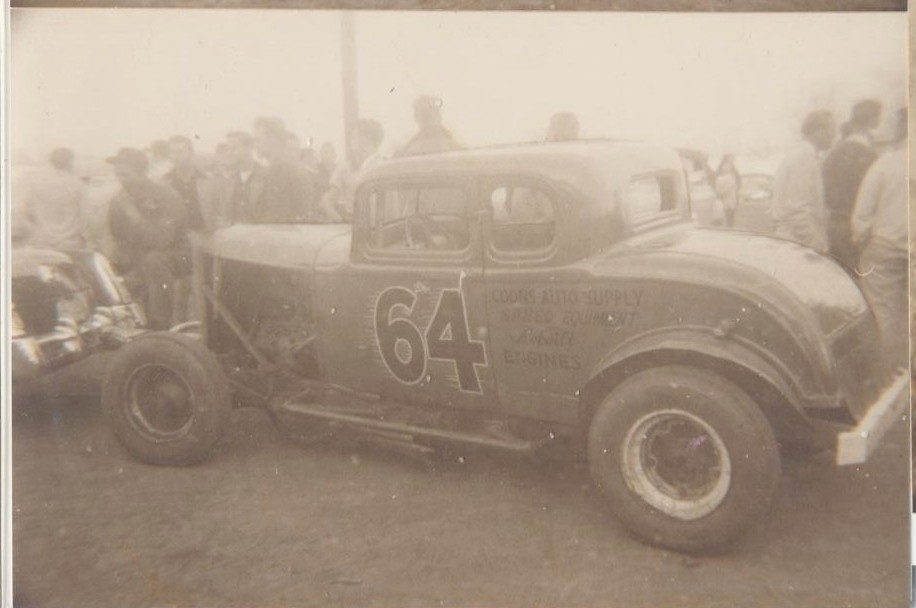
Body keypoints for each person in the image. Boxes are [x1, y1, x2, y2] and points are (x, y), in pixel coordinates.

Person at [851, 108, 907, 375]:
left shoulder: (885, 164)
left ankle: (888, 377)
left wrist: (862, 242)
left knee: (882, 313)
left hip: (883, 248)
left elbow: (861, 216)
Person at [106, 147, 187, 330]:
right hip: (138, 259)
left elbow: (162, 240)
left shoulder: (167, 196)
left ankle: (160, 326)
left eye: (126, 175)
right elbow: (118, 239)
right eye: (118, 175)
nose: (121, 180)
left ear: (142, 172)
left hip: (173, 256)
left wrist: (132, 213)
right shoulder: (119, 201)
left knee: (153, 261)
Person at [821, 99, 882, 270]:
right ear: (873, 122)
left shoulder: (833, 154)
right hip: (856, 228)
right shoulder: (870, 158)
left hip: (833, 224)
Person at [769, 110, 836, 252]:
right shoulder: (804, 157)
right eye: (831, 130)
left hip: (792, 240)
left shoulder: (799, 154)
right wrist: (817, 246)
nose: (833, 136)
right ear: (817, 131)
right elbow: (798, 210)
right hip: (796, 243)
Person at [12, 147, 88, 250]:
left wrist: (35, 230)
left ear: (52, 162)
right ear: (70, 162)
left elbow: (23, 211)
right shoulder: (77, 184)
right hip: (70, 242)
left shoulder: (37, 184)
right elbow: (85, 216)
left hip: (43, 242)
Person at [252, 117, 319, 222]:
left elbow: (278, 216)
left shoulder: (283, 169)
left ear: (272, 139)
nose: (255, 145)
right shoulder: (283, 166)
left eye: (258, 140)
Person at [323, 119, 385, 221]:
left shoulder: (382, 166)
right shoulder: (345, 167)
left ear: (365, 139)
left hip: (378, 227)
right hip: (353, 226)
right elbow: (327, 200)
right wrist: (340, 221)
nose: (351, 141)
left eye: (354, 137)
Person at [163, 135, 208, 233]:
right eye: (172, 153)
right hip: (176, 239)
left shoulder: (208, 180)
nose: (175, 157)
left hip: (205, 236)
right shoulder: (163, 182)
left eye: (180, 152)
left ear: (191, 153)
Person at [397, 95, 462, 156]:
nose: (428, 116)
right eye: (424, 113)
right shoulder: (458, 149)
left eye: (431, 112)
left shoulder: (407, 151)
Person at [714, 154, 741, 228]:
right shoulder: (719, 176)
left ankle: (730, 229)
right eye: (729, 160)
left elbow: (738, 184)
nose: (730, 163)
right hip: (724, 200)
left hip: (732, 199)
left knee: (730, 218)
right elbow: (718, 190)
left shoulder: (734, 173)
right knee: (724, 217)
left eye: (732, 161)